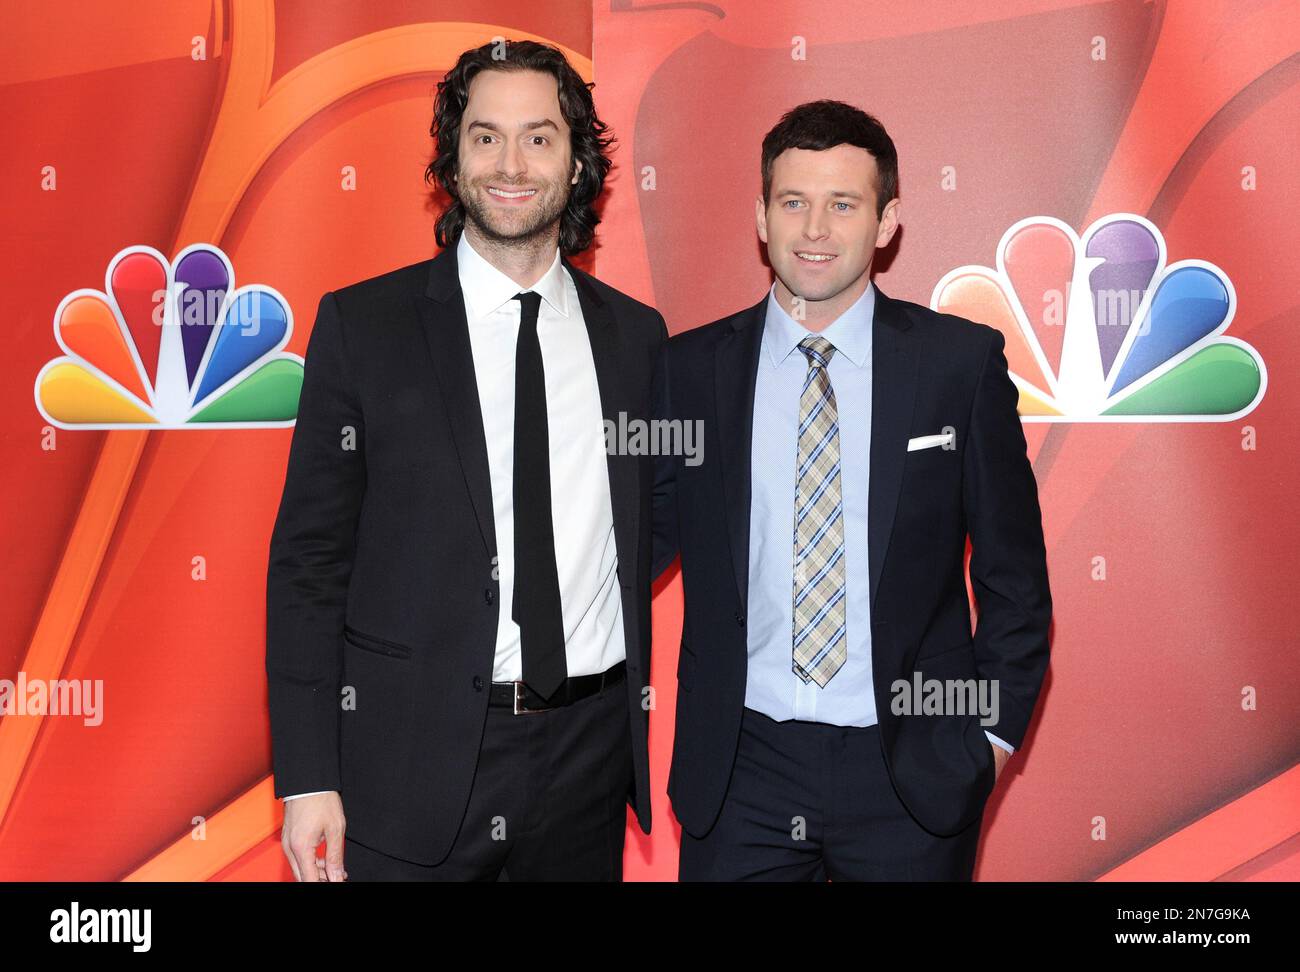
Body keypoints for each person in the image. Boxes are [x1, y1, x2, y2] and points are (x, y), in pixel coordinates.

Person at [267, 39, 664, 881]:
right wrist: (307, 776)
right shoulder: (364, 328)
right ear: (451, 157)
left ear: (578, 159)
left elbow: (650, 521)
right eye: (485, 137)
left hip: (588, 761)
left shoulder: (635, 339)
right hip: (407, 764)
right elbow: (308, 564)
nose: (511, 163)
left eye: (539, 136)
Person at [651, 100, 1052, 880]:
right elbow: (631, 544)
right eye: (793, 201)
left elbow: (1015, 579)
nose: (814, 230)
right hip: (740, 771)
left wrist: (987, 743)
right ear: (760, 216)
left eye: (844, 204)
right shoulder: (687, 370)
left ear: (888, 219)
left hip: (913, 770)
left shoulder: (958, 366)